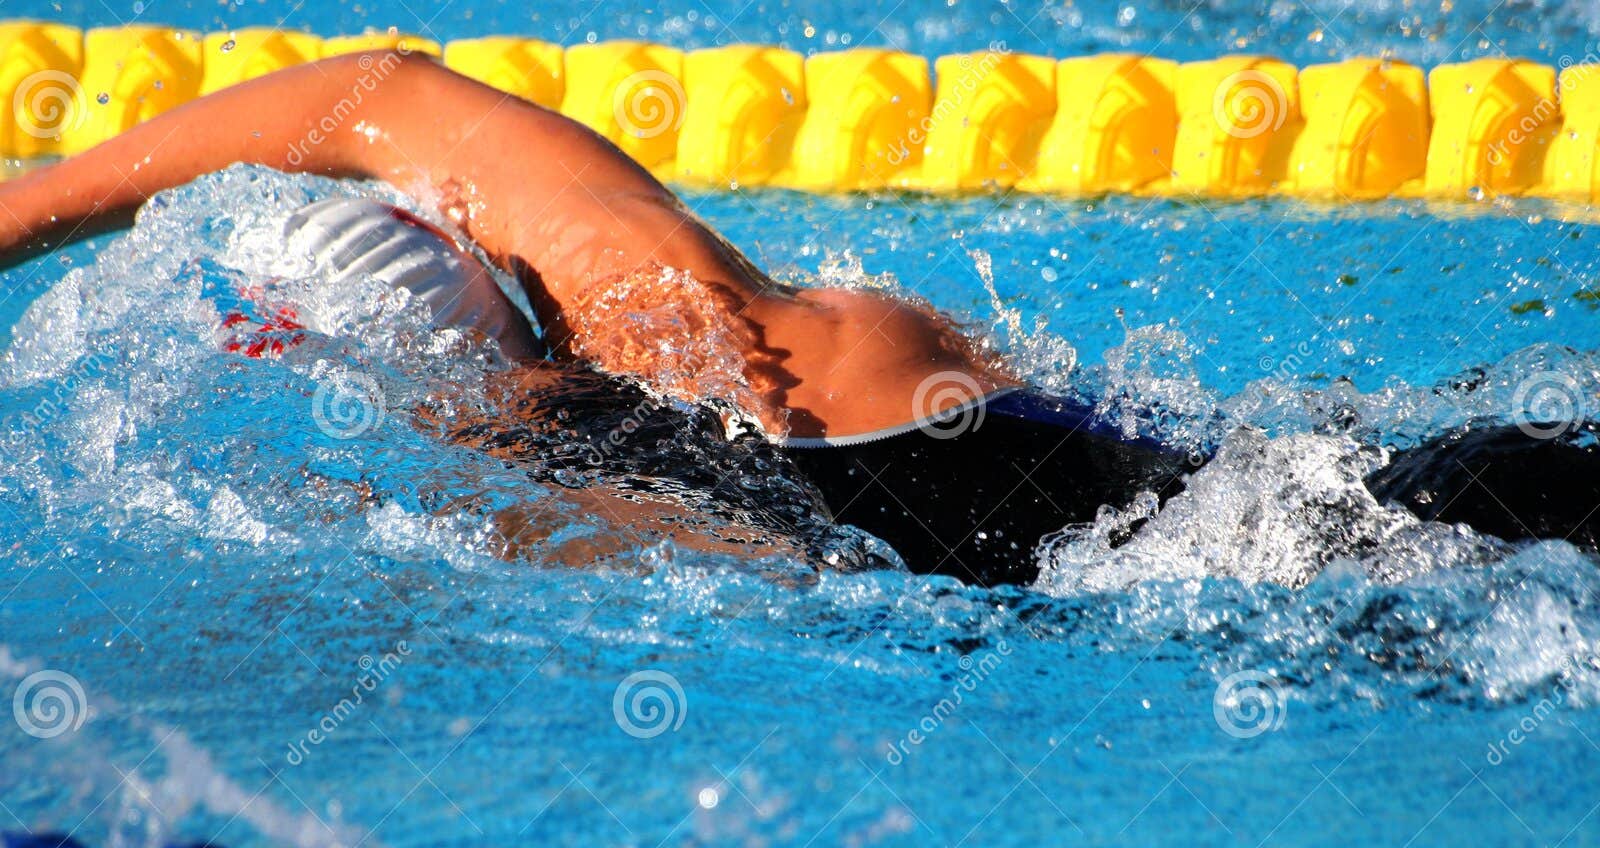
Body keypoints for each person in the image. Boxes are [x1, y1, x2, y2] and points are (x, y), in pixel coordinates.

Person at [2, 52, 1596, 586]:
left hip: (987, 576)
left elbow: (769, 581)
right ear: (462, 242)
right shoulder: (641, 274)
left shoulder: (502, 484)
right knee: (1426, 498)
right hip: (1124, 497)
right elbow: (373, 93)